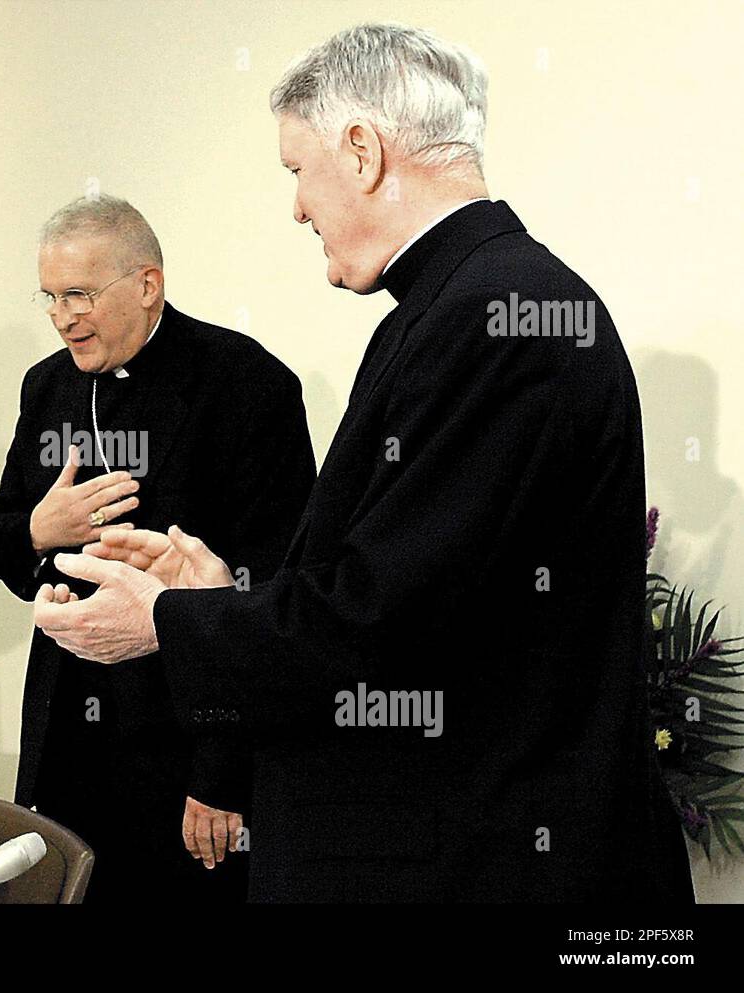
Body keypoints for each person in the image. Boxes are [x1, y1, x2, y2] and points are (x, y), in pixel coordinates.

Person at [34, 24, 695, 902]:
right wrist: (221, 596)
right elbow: (394, 587)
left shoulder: (501, 320)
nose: (297, 208)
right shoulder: (467, 302)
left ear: (362, 150)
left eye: (296, 172)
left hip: (474, 861)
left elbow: (379, 625)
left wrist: (170, 621)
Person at [0, 195, 315, 902]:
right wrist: (41, 531)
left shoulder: (247, 384)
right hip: (65, 723)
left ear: (148, 285)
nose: (62, 316)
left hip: (182, 734)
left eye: (80, 295)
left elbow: (267, 597)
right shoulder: (46, 385)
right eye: (50, 296)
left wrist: (221, 776)